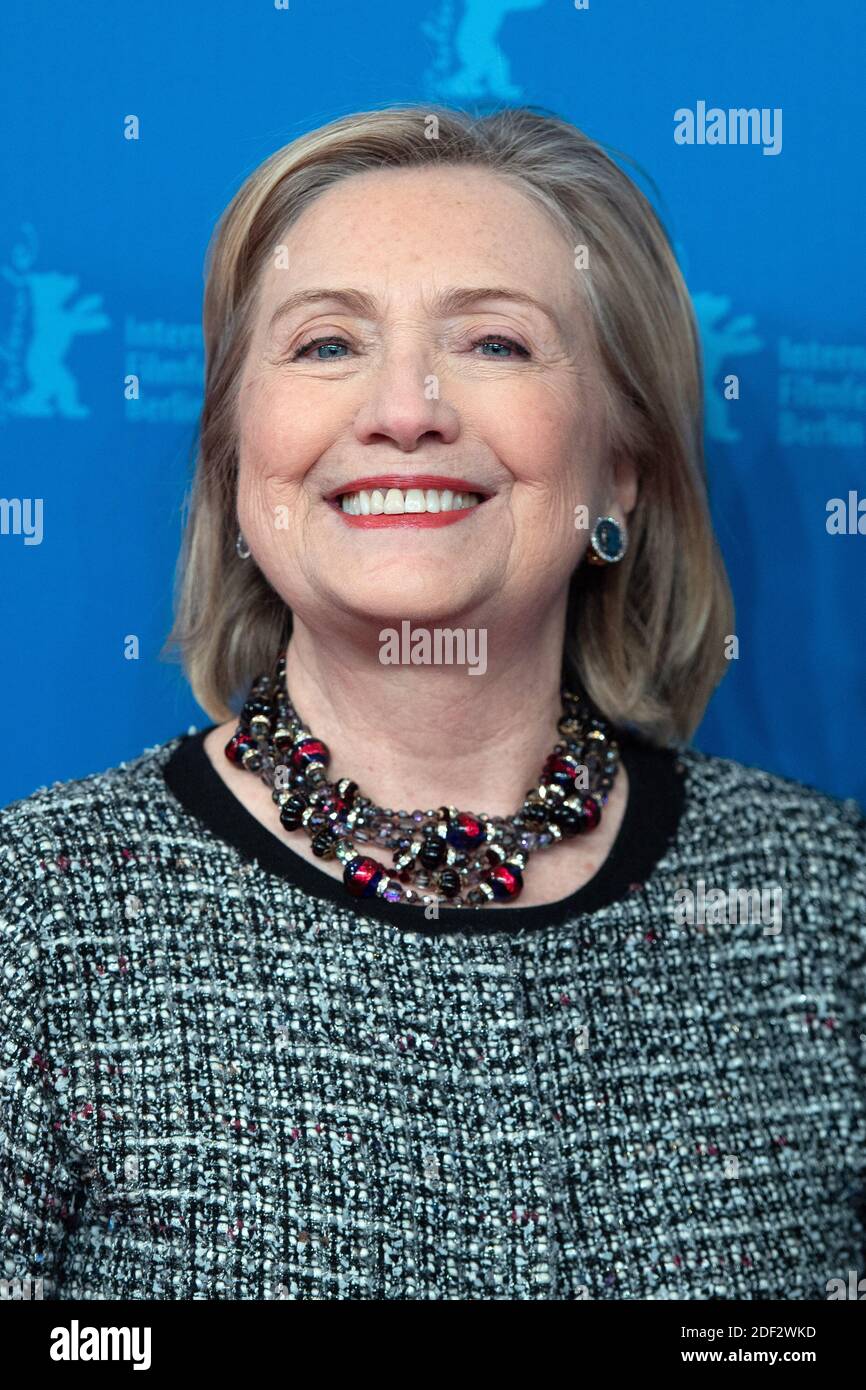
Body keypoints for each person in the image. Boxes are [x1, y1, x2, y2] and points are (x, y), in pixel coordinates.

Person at [1, 104, 864, 1301]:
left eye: (495, 344)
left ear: (620, 465)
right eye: (324, 346)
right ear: (237, 463)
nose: (403, 408)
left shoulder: (826, 906)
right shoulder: (38, 918)